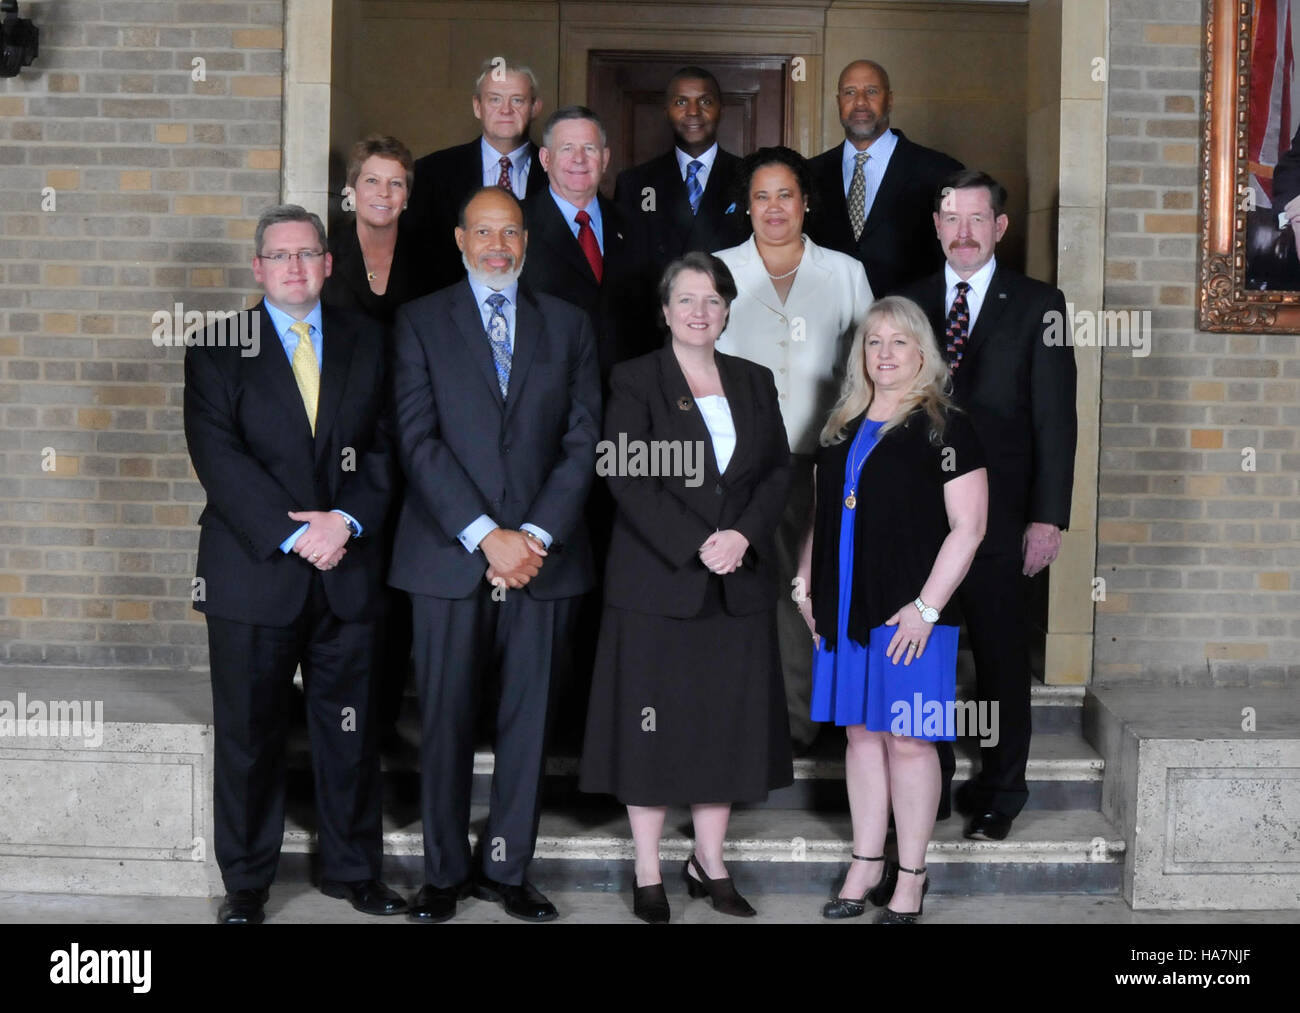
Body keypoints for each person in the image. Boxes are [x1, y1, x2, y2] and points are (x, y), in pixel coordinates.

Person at [184, 204, 404, 924]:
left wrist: (344, 520)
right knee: (250, 735)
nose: (295, 268)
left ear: (328, 262)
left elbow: (386, 447)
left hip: (348, 565)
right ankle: (247, 881)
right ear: (258, 267)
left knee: (349, 732)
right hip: (254, 572)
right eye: (279, 256)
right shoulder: (217, 346)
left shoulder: (369, 341)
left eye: (308, 254)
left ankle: (353, 870)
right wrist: (294, 534)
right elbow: (220, 459)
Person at [389, 186, 601, 923]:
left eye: (510, 232)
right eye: (483, 231)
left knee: (529, 720)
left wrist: (533, 535)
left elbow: (582, 440)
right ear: (459, 239)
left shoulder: (569, 325)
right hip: (447, 555)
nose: (498, 245)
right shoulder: (419, 322)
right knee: (442, 717)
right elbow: (416, 441)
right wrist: (486, 534)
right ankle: (443, 872)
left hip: (544, 559)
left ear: (526, 240)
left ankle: (508, 869)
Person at [579, 252, 793, 923]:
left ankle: (709, 859)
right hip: (658, 581)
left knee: (723, 727)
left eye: (713, 301)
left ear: (727, 311)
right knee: (651, 729)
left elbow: (777, 471)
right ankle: (648, 868)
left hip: (737, 583)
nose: (701, 312)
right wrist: (698, 541)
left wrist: (742, 537)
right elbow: (624, 472)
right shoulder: (636, 378)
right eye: (687, 300)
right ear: (665, 310)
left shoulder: (755, 381)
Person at [901, 170, 1078, 840]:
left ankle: (1003, 789)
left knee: (1003, 659)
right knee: (927, 655)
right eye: (952, 218)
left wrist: (1048, 516)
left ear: (1000, 227)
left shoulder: (1041, 305)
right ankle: (932, 784)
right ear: (938, 226)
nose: (965, 232)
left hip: (1004, 518)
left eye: (978, 219)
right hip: (923, 519)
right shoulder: (909, 302)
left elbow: (1057, 420)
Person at [798, 295, 987, 924]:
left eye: (899, 342)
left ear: (922, 352)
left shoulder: (946, 426)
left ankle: (911, 874)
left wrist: (926, 610)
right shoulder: (841, 425)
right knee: (860, 737)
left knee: (910, 741)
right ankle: (866, 862)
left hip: (912, 615)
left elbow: (969, 527)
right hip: (844, 609)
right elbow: (823, 515)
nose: (884, 353)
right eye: (874, 342)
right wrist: (805, 582)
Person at [714, 145, 874, 752]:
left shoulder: (846, 272)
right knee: (746, 585)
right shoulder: (718, 269)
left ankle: (808, 721)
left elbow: (867, 366)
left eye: (786, 195)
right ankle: (748, 718)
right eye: (762, 196)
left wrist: (851, 443)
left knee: (810, 586)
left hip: (822, 455)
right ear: (745, 206)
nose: (774, 208)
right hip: (738, 460)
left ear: (807, 202)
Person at [321, 135, 418, 745]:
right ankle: (342, 721)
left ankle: (383, 716)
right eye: (373, 182)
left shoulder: (430, 255)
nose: (383, 193)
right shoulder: (323, 252)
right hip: (340, 435)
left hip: (410, 433)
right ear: (351, 190)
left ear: (408, 195)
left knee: (397, 581)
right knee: (349, 579)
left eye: (396, 183)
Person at [806, 60, 962, 298]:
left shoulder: (939, 171)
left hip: (910, 324)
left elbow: (957, 257)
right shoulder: (810, 174)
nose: (860, 102)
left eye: (871, 91)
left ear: (889, 100)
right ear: (839, 102)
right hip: (829, 324)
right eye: (850, 92)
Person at [521, 105, 656, 380]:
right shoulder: (516, 227)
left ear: (605, 159)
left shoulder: (637, 227)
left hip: (624, 399)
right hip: (547, 399)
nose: (579, 159)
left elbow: (650, 321)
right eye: (567, 148)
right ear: (545, 159)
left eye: (590, 149)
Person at [405, 60, 547, 296]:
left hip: (539, 320)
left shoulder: (559, 174)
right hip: (452, 320)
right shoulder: (432, 173)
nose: (506, 110)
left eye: (518, 100)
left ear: (535, 107)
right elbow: (415, 258)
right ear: (477, 106)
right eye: (494, 99)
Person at [614, 66, 747, 277]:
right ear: (666, 111)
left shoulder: (749, 177)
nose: (693, 112)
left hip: (732, 306)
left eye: (705, 101)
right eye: (681, 102)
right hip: (656, 308)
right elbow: (628, 272)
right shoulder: (635, 184)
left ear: (721, 109)